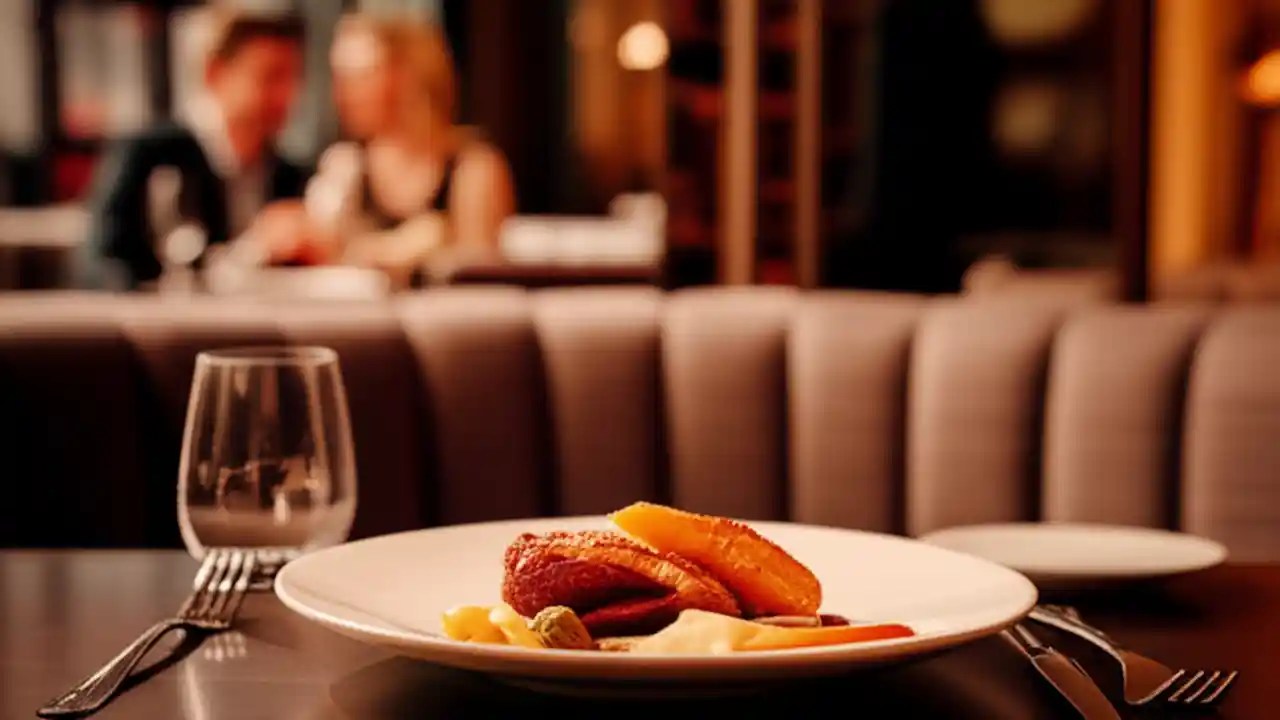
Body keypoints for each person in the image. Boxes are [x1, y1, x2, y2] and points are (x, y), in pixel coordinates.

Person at [259, 14, 515, 288]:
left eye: (359, 77)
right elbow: (321, 263)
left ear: (408, 78)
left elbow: (481, 280)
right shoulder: (345, 166)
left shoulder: (473, 167)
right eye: (339, 78)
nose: (343, 94)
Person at [80, 9, 307, 290]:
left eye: (292, 79)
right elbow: (100, 265)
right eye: (270, 76)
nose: (286, 96)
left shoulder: (289, 175)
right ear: (213, 74)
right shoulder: (148, 156)